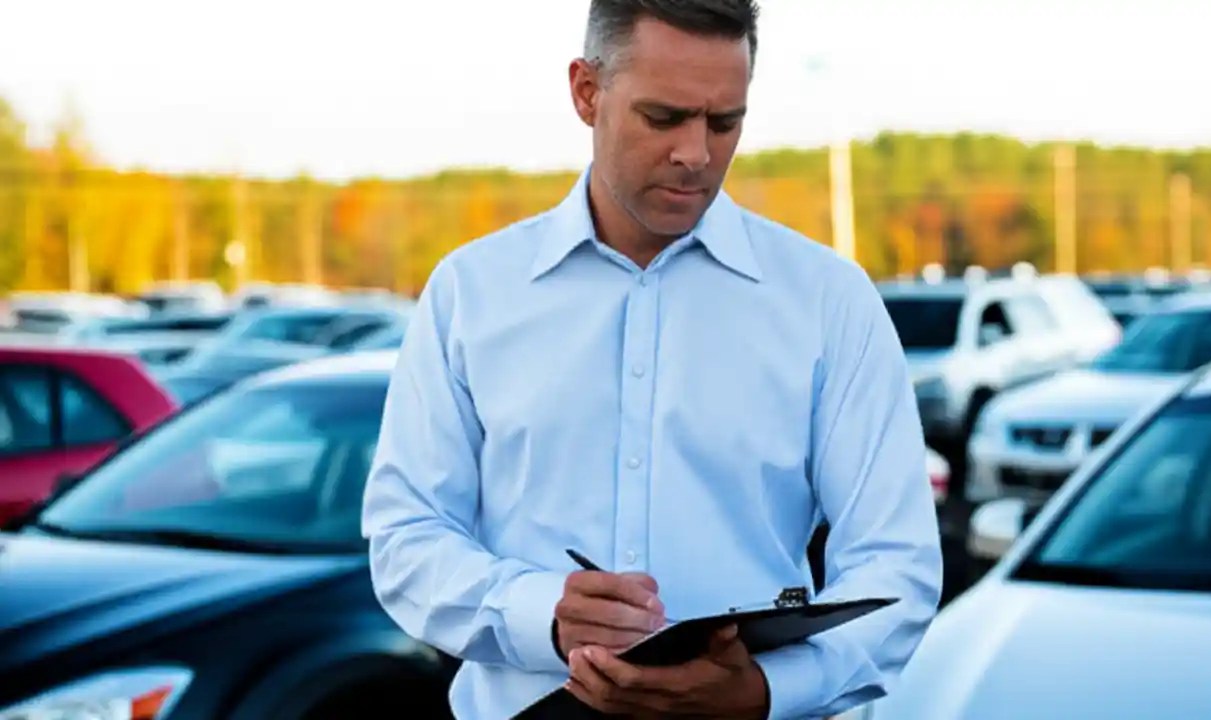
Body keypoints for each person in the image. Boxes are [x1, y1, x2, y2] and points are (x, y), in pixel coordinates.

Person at [361, 1, 943, 717]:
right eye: (664, 118)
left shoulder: (829, 301)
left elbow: (898, 564)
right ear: (586, 92)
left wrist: (763, 692)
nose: (696, 153)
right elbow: (406, 536)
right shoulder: (471, 292)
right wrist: (540, 613)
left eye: (724, 122)